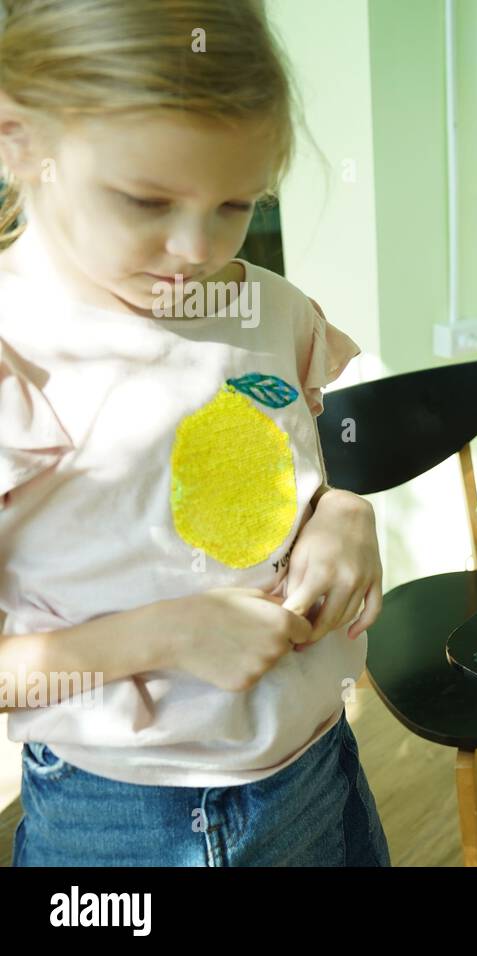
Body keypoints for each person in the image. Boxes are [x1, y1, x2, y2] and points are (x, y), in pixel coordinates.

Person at [0, 0, 388, 865]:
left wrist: (340, 515)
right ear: (19, 139)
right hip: (122, 817)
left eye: (235, 203)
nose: (195, 248)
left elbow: (293, 482)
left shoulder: (267, 307)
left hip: (319, 764)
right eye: (145, 199)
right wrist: (170, 635)